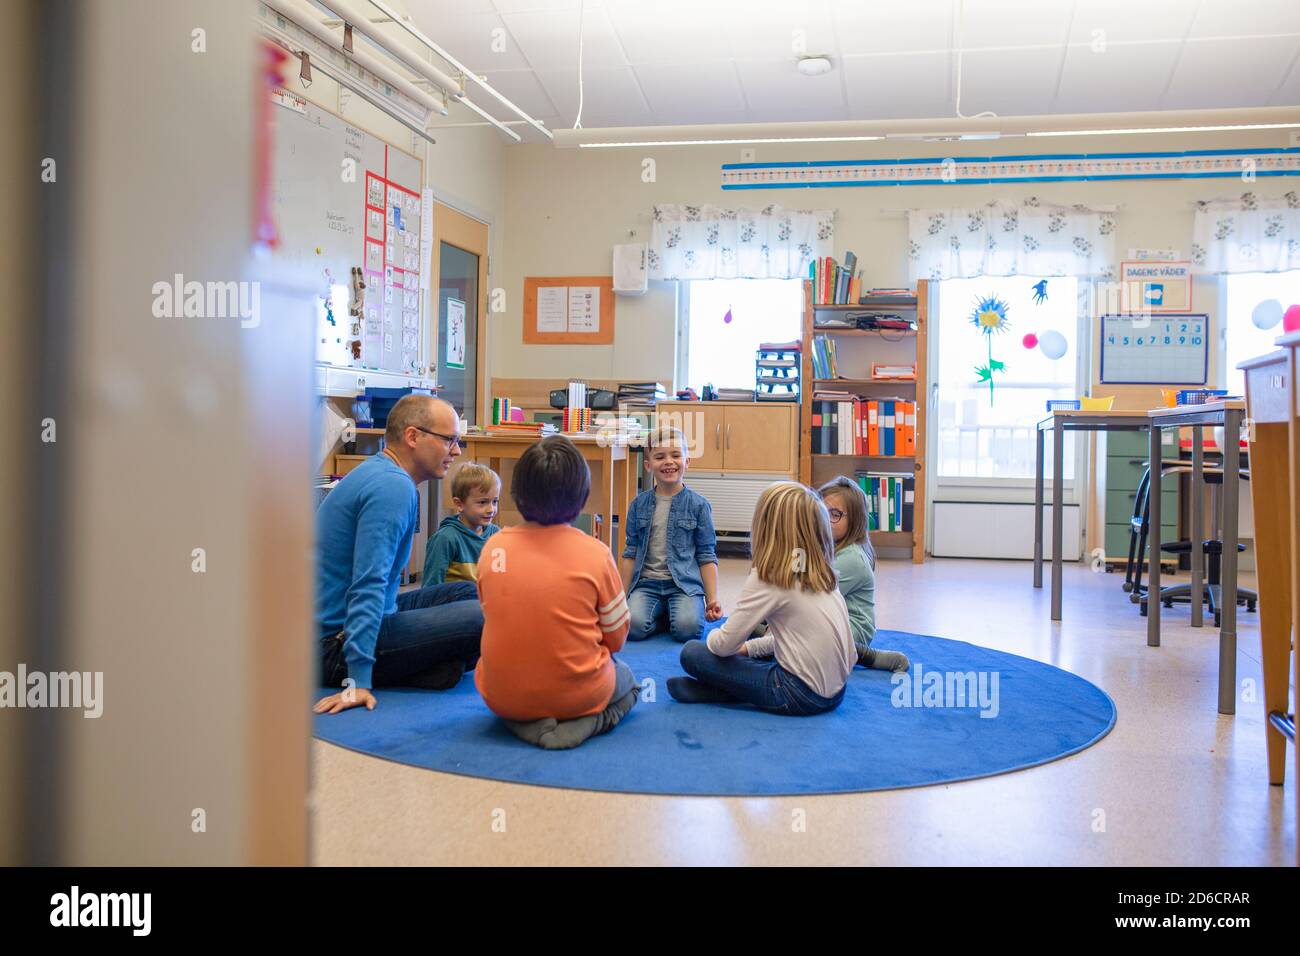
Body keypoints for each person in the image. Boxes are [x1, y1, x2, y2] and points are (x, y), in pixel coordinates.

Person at [314, 395, 483, 715]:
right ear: (413, 436)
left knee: (472, 592)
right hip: (332, 646)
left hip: (359, 621)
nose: (457, 451)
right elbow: (368, 584)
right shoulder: (392, 488)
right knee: (483, 617)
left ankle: (430, 667)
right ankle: (404, 667)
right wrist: (357, 681)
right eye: (450, 440)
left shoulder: (384, 472)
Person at [476, 436, 639, 750]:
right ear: (583, 495)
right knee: (629, 682)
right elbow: (617, 638)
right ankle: (592, 722)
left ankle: (523, 722)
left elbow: (492, 616)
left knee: (500, 680)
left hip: (502, 694)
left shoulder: (494, 547)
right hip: (581, 694)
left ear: (516, 493)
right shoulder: (596, 553)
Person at [668, 481, 855, 716]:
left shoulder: (770, 575)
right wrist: (749, 648)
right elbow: (796, 640)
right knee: (754, 657)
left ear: (765, 526)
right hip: (837, 693)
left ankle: (727, 691)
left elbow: (723, 646)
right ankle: (733, 690)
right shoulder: (822, 571)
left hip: (799, 695)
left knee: (693, 652)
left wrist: (723, 641)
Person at [622, 426, 720, 642]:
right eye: (659, 457)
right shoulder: (638, 505)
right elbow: (631, 552)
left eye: (676, 455)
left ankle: (672, 616)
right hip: (647, 583)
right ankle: (664, 618)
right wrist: (620, 598)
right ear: (648, 465)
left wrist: (712, 599)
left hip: (684, 585)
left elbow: (706, 555)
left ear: (687, 462)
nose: (668, 461)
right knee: (631, 627)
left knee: (688, 630)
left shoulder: (699, 506)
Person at [818, 476, 909, 672]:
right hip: (831, 619)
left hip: (852, 630)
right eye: (820, 511)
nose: (825, 519)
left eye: (834, 514)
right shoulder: (828, 543)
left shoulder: (851, 558)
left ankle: (866, 656)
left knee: (794, 636)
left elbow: (813, 597)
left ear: (855, 520)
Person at [422, 462, 500, 585]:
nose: (491, 509)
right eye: (482, 502)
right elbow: (431, 587)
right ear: (459, 504)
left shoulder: (497, 535)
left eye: (495, 501)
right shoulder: (445, 539)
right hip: (457, 602)